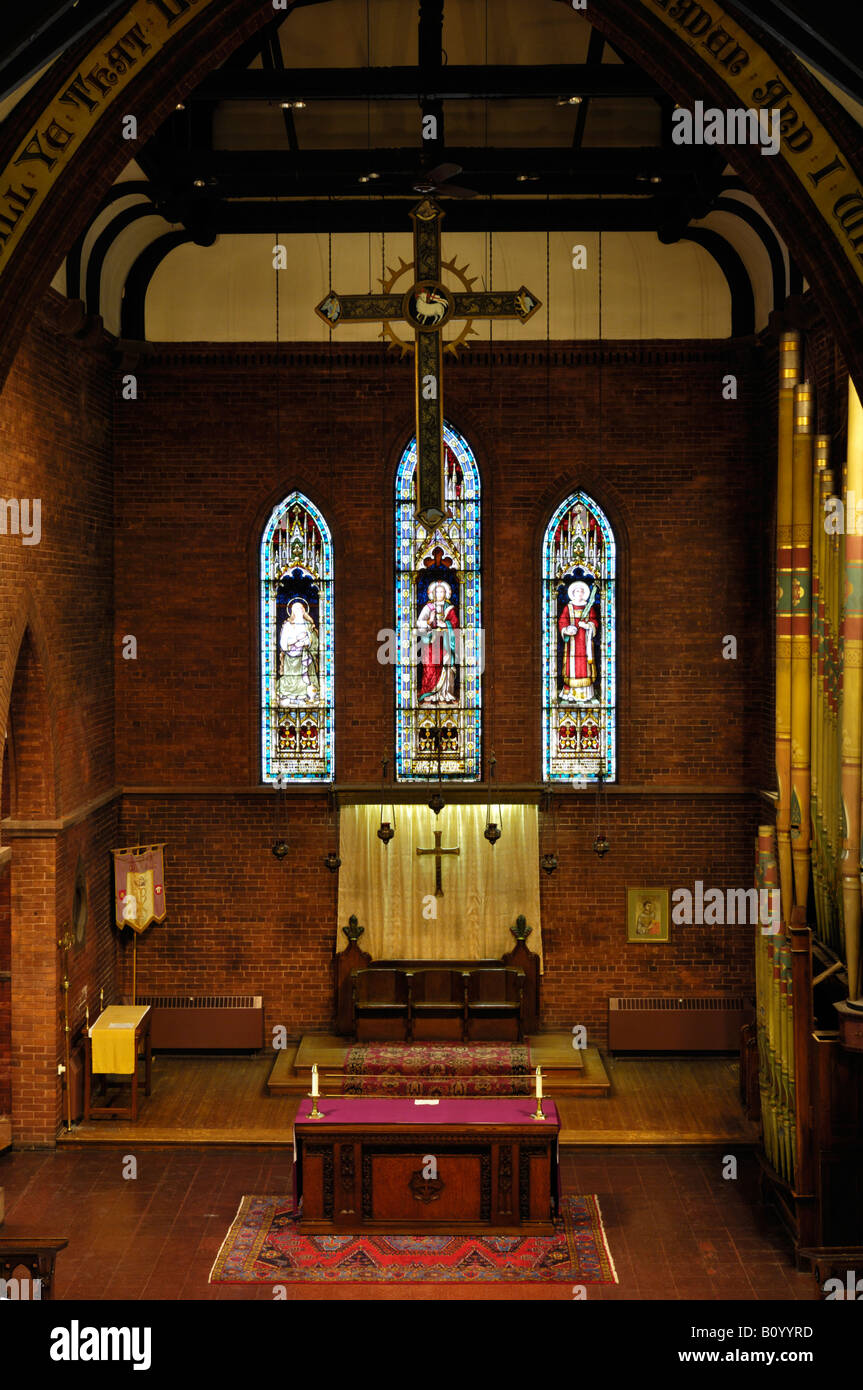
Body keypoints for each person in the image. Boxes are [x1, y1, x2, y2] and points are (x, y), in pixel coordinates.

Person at [559, 575, 600, 703]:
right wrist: (567, 630)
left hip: (586, 643)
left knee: (585, 665)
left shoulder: (589, 607)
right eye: (577, 591)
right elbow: (561, 622)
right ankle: (571, 693)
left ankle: (586, 693)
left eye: (582, 591)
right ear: (572, 593)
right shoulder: (568, 607)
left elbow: (595, 622)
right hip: (572, 644)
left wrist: (588, 625)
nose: (580, 593)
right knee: (572, 665)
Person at [417, 580, 459, 705]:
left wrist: (445, 624)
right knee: (431, 666)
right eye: (437, 591)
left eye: (442, 591)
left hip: (445, 641)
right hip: (431, 643)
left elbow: (455, 623)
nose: (440, 593)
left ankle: (446, 693)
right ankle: (431, 694)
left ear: (446, 593)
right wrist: (429, 622)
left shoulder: (450, 608)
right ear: (433, 594)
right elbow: (419, 623)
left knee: (447, 666)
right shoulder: (428, 607)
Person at [278, 598, 319, 705]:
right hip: (290, 659)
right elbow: (283, 643)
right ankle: (290, 696)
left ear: (304, 611)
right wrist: (296, 640)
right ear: (292, 612)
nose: (298, 612)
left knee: (306, 681)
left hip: (304, 656)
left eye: (301, 609)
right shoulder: (288, 625)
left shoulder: (307, 625)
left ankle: (306, 696)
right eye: (296, 610)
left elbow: (312, 639)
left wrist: (306, 642)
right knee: (290, 681)